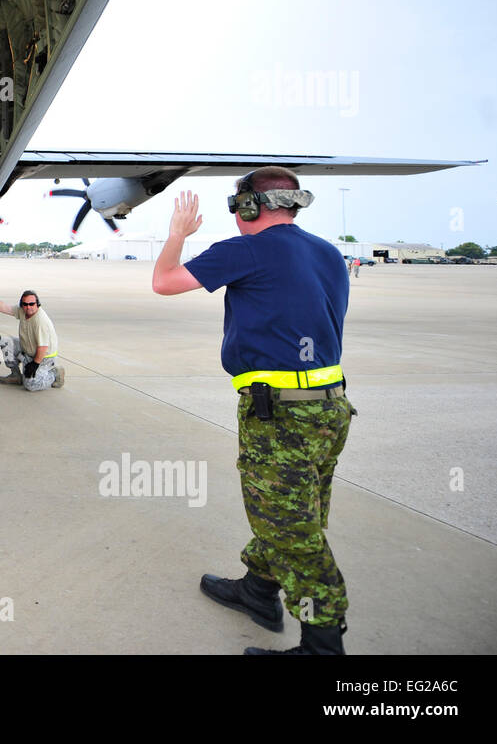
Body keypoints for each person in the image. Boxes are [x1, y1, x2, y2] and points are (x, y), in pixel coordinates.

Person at [150, 167, 354, 655]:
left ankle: (323, 644)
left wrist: (177, 235)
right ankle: (259, 592)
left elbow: (163, 282)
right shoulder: (328, 253)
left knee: (292, 531)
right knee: (291, 513)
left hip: (281, 415)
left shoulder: (244, 250)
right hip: (331, 408)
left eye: (235, 208)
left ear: (248, 207)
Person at [0, 288, 64, 390]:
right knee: (6, 342)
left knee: (30, 385)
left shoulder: (41, 321)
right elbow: (5, 308)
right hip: (28, 351)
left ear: (37, 304)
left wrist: (35, 364)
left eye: (31, 304)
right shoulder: (22, 311)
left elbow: (43, 347)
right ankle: (16, 376)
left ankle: (54, 373)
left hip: (44, 358)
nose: (28, 307)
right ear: (22, 305)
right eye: (25, 304)